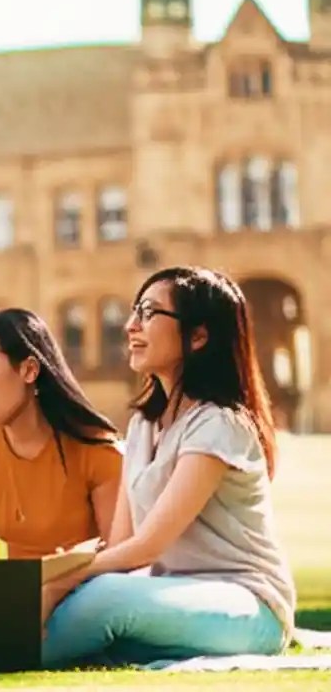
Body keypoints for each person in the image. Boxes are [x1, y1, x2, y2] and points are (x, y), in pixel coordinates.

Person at [41, 266, 296, 668]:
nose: (130, 325)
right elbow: (123, 546)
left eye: (148, 312)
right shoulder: (142, 426)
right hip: (172, 598)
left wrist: (62, 581)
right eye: (133, 311)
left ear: (198, 336)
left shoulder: (219, 424)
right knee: (97, 595)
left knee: (102, 598)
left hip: (248, 606)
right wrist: (62, 570)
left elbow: (149, 546)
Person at [0, 309, 123, 560]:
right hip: (16, 597)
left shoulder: (98, 451)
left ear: (29, 370)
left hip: (90, 592)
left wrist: (52, 588)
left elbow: (118, 563)